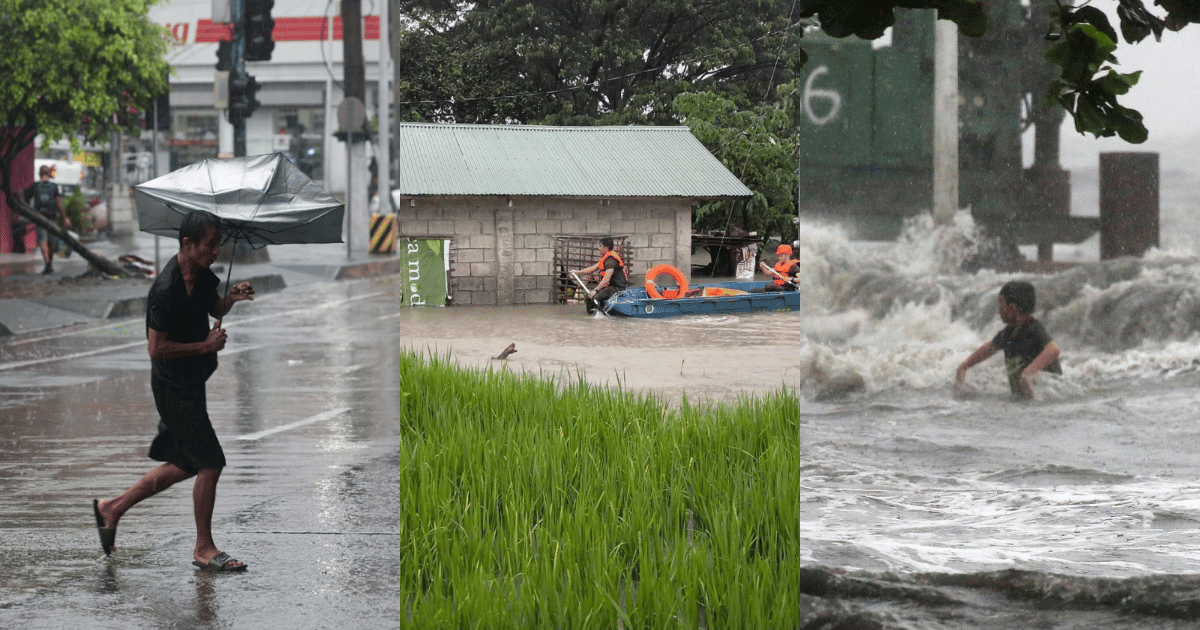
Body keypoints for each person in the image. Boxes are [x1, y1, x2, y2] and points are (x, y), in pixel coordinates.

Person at [92, 210, 256, 572]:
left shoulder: (202, 275)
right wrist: (205, 345)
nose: (216, 251)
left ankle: (112, 508)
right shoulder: (164, 289)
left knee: (186, 463)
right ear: (187, 244)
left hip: (192, 381)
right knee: (211, 461)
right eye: (210, 244)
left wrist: (231, 298)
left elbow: (212, 306)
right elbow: (156, 348)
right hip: (171, 386)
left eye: (218, 244)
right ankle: (204, 547)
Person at [956, 280, 1062, 400]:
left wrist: (1028, 374)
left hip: (1047, 400)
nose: (999, 310)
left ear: (1013, 307)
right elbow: (989, 348)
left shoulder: (1034, 329)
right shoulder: (1009, 333)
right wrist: (965, 365)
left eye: (1001, 304)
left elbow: (1054, 349)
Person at [23, 165, 70, 274]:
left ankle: (47, 264)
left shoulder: (35, 186)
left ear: (40, 174)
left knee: (42, 241)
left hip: (40, 217)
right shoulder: (54, 186)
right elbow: (59, 204)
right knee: (51, 242)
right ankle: (49, 264)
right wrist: (65, 218)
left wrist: (30, 212)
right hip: (52, 217)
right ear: (48, 174)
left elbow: (25, 199)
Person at [573, 236, 629, 312]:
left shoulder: (611, 261)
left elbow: (606, 280)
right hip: (610, 287)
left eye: (600, 246)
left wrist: (595, 291)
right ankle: (593, 314)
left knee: (594, 297)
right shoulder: (605, 259)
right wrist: (577, 272)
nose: (599, 248)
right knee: (587, 295)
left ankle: (597, 315)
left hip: (617, 288)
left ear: (605, 248)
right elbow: (591, 269)